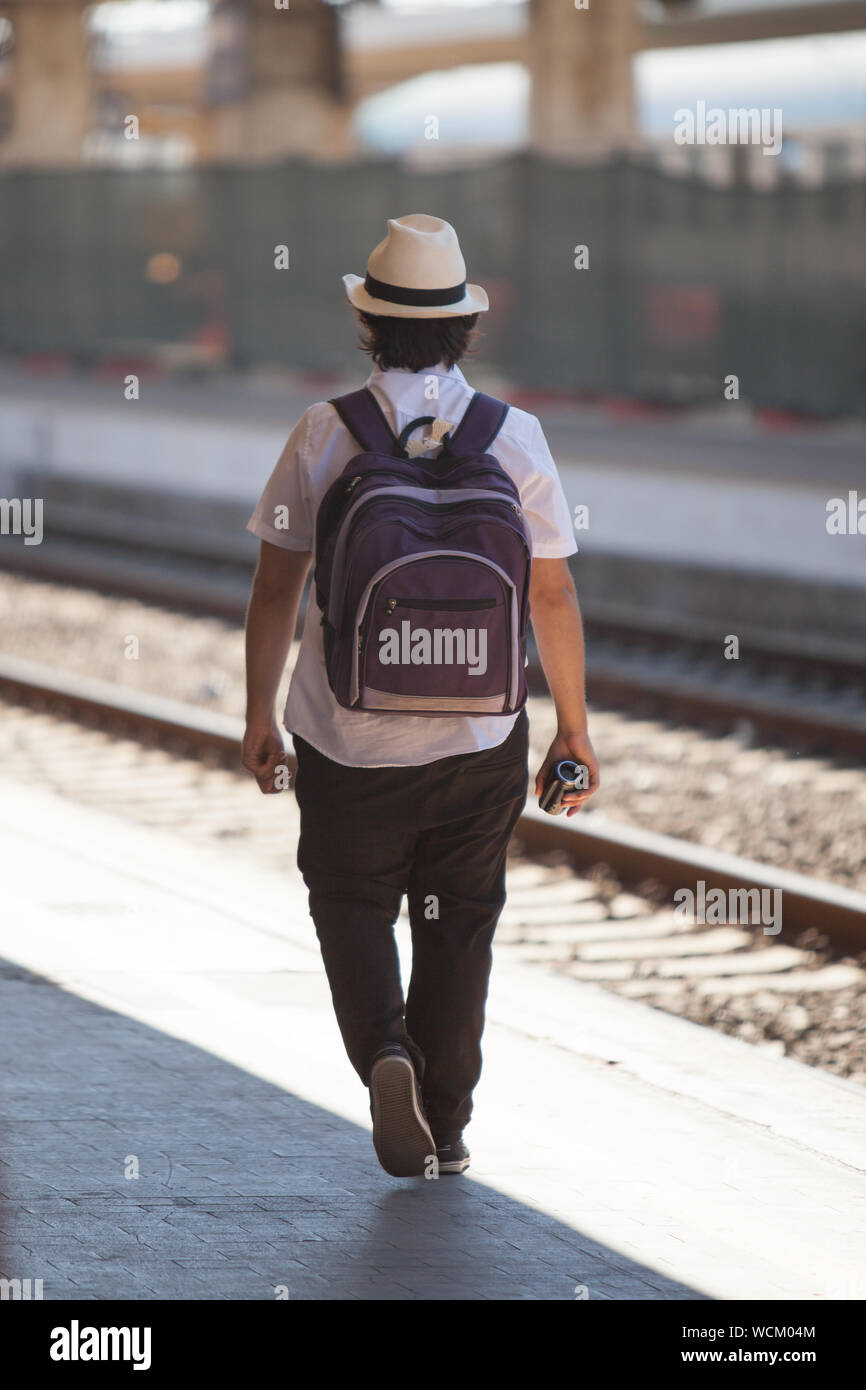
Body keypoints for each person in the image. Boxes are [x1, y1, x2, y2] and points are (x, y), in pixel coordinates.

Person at [242, 214, 599, 1179]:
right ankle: (446, 1124)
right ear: (462, 330)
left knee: (352, 902)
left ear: (369, 326)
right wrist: (571, 727)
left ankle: (384, 1054)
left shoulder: (325, 431)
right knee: (462, 921)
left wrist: (258, 717)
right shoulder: (513, 436)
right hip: (481, 738)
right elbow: (553, 591)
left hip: (348, 738)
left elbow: (276, 588)